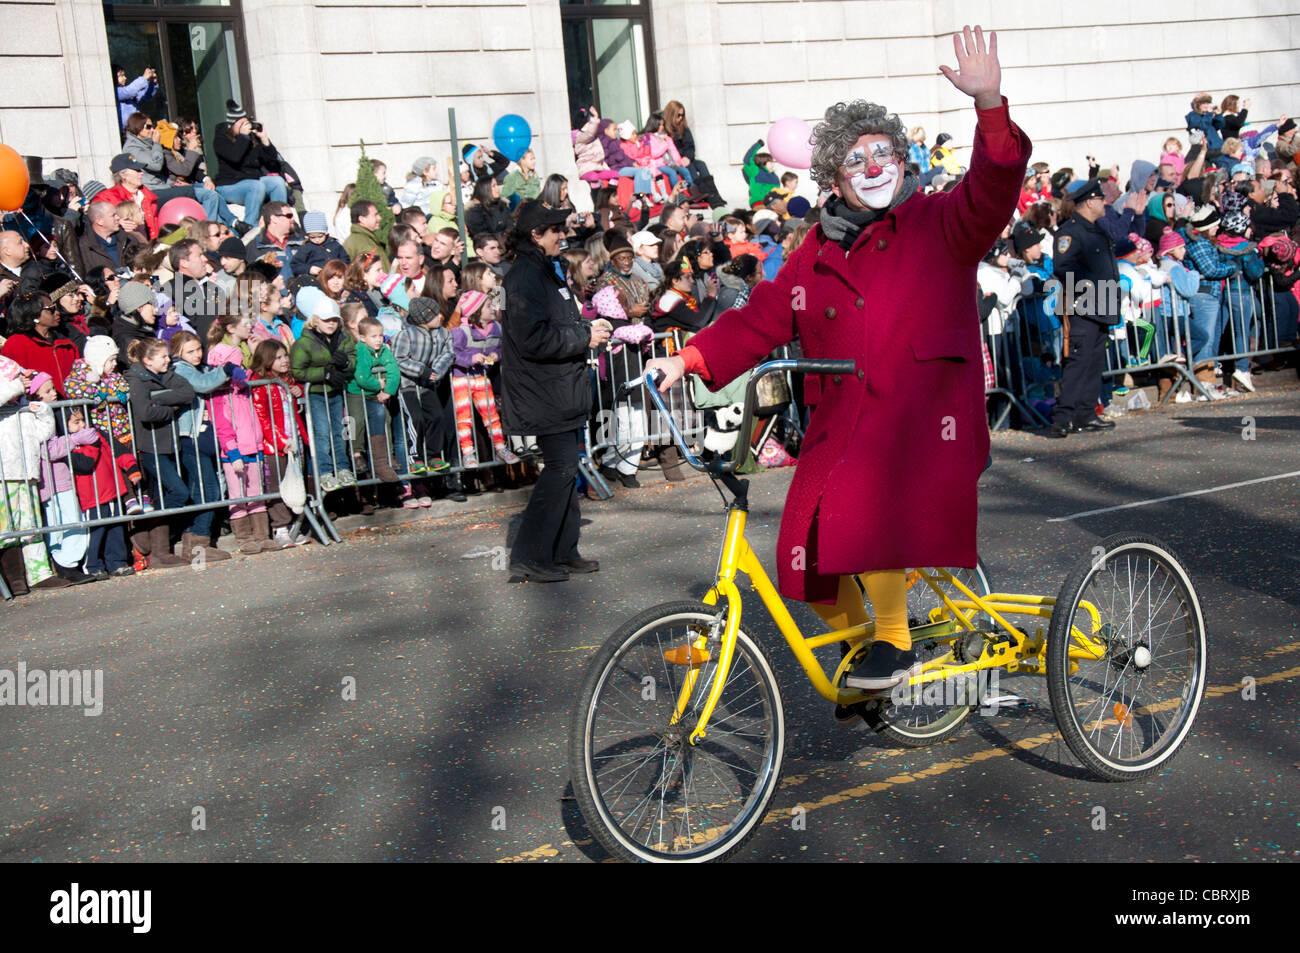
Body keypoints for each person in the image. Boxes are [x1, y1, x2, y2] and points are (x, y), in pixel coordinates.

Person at [645, 25, 1026, 699]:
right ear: (831, 179)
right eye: (857, 159)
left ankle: (893, 639)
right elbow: (765, 315)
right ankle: (866, 654)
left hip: (923, 422)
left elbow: (994, 189)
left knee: (863, 513)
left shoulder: (941, 222)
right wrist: (693, 355)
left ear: (903, 159)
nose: (874, 166)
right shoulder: (813, 253)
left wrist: (989, 104)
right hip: (842, 426)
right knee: (802, 563)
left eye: (884, 152)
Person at [501, 200, 611, 582]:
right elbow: (532, 339)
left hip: (560, 388)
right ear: (535, 235)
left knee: (566, 467)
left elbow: (557, 323)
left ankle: (563, 550)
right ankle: (529, 557)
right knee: (562, 468)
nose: (563, 236)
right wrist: (585, 335)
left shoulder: (545, 271)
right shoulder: (523, 278)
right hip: (542, 390)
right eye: (555, 231)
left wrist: (586, 331)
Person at [1047, 178, 1120, 437]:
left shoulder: (1095, 229)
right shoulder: (1070, 231)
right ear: (1090, 201)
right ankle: (1062, 417)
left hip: (1102, 304)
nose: (1104, 203)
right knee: (1078, 363)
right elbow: (1064, 267)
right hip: (1083, 306)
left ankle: (1085, 414)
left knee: (1093, 362)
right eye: (1101, 199)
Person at [168, 329, 236, 562]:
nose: (197, 354)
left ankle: (196, 542)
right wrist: (227, 369)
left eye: (199, 349)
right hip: (191, 440)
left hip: (207, 439)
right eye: (191, 351)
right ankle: (196, 545)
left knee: (210, 489)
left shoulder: (199, 367)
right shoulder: (180, 369)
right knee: (207, 491)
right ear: (178, 353)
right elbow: (204, 384)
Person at [212, 100, 288, 227]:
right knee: (255, 186)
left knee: (277, 182)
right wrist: (243, 137)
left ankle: (279, 224)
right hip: (229, 185)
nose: (246, 127)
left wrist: (264, 139)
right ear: (233, 124)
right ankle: (250, 228)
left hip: (253, 182)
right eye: (242, 123)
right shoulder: (221, 139)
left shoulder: (251, 138)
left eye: (247, 122)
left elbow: (272, 163)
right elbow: (234, 157)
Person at [343, 200, 390, 269]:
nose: (379, 218)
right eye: (375, 214)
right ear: (362, 219)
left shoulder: (365, 239)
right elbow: (373, 272)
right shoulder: (364, 244)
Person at [114, 65, 157, 131]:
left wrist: (152, 83)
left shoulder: (127, 94)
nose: (125, 78)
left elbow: (144, 97)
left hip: (136, 128)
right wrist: (144, 78)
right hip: (127, 132)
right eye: (121, 76)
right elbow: (128, 92)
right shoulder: (115, 91)